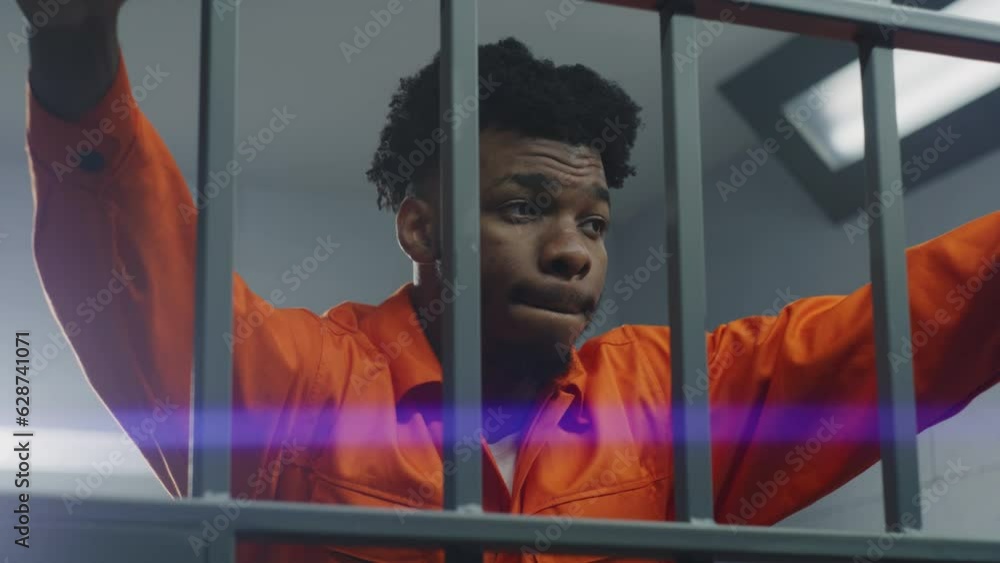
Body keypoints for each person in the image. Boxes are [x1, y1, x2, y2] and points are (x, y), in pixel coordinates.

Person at [20, 1, 999, 562]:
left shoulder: (663, 402)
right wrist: (73, 42)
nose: (574, 251)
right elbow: (138, 266)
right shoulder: (302, 384)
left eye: (594, 223)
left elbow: (905, 328)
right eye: (525, 207)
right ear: (420, 226)